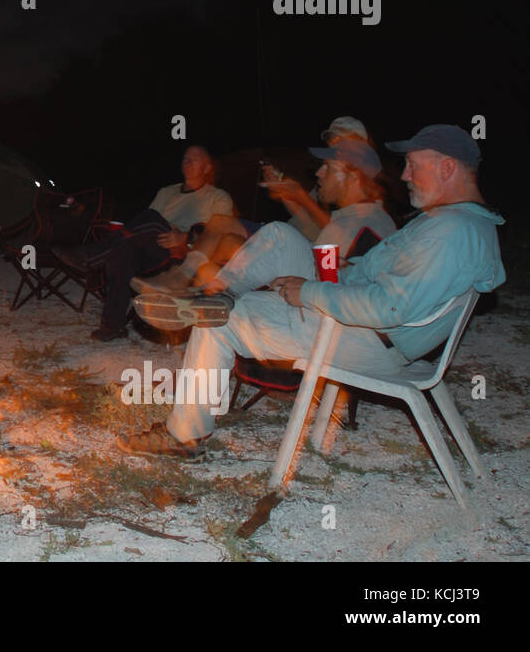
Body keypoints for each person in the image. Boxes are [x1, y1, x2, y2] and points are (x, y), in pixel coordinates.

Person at [117, 124, 504, 461]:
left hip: (368, 341)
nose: (403, 176)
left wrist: (310, 292)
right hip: (360, 327)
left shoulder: (452, 233)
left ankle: (184, 432)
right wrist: (313, 282)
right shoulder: (449, 224)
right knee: (279, 237)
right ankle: (215, 293)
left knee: (219, 320)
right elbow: (371, 277)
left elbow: (386, 307)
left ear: (447, 168)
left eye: (413, 166)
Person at [133, 139, 397, 327]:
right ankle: (194, 292)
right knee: (223, 232)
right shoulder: (344, 216)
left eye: (328, 168)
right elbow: (314, 233)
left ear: (354, 178)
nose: (317, 172)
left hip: (309, 297)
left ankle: (207, 297)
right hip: (294, 268)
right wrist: (288, 194)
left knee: (271, 232)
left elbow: (364, 286)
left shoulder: (371, 223)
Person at [54, 146, 235, 341]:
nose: (187, 163)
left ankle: (91, 256)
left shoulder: (218, 197)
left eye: (195, 159)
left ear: (207, 168)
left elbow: (218, 232)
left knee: (149, 220)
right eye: (185, 159)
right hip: (155, 250)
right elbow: (145, 228)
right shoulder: (167, 192)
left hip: (185, 260)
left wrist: (185, 238)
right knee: (121, 251)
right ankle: (112, 325)